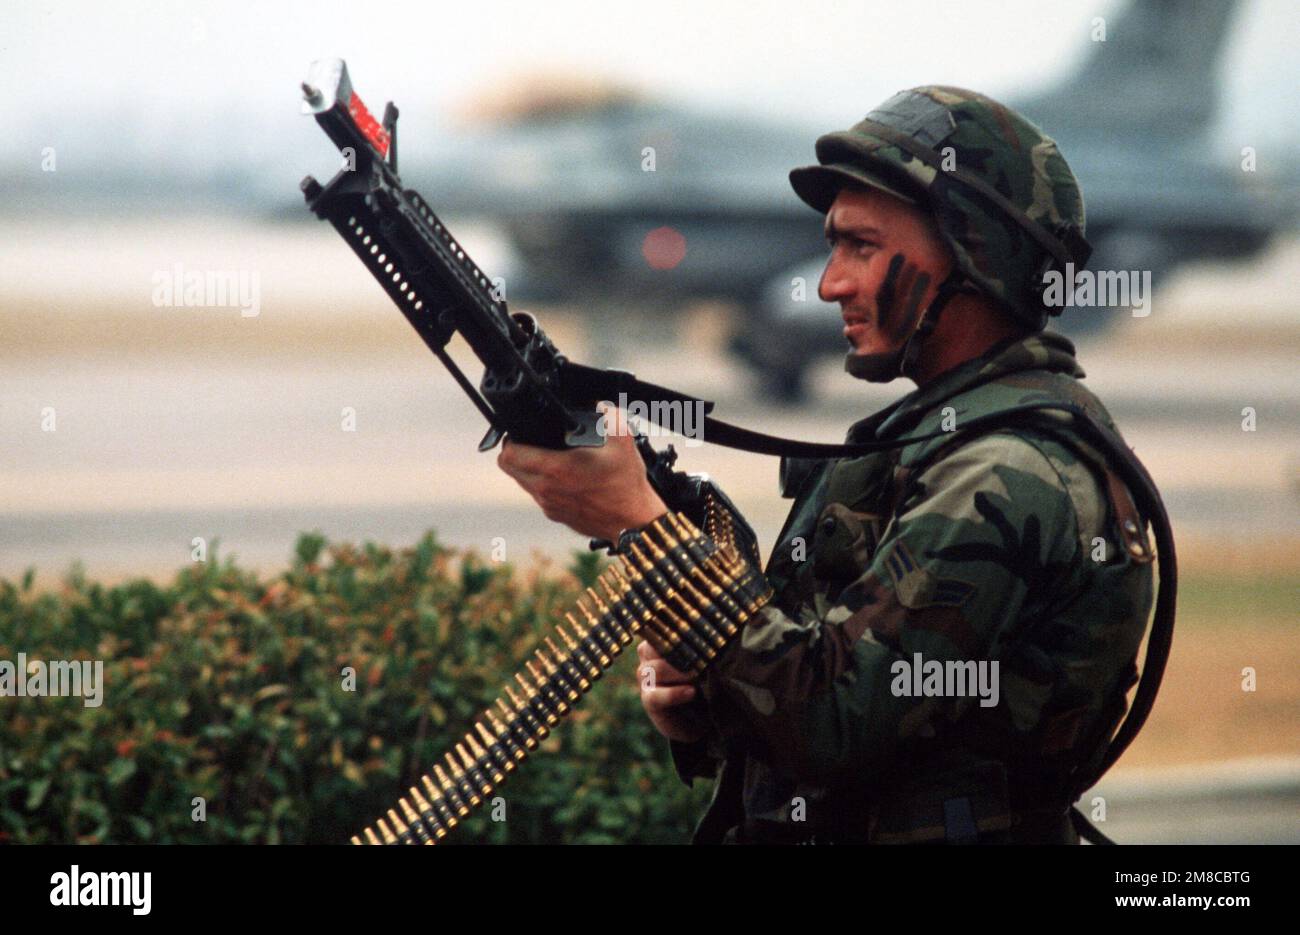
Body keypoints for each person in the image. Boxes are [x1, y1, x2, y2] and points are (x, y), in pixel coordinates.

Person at [497, 86, 1158, 844]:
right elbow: (852, 713)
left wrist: (640, 526)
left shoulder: (1007, 473)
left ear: (977, 252)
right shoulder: (939, 443)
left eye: (862, 246)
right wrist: (705, 698)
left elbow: (833, 722)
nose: (829, 284)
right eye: (833, 247)